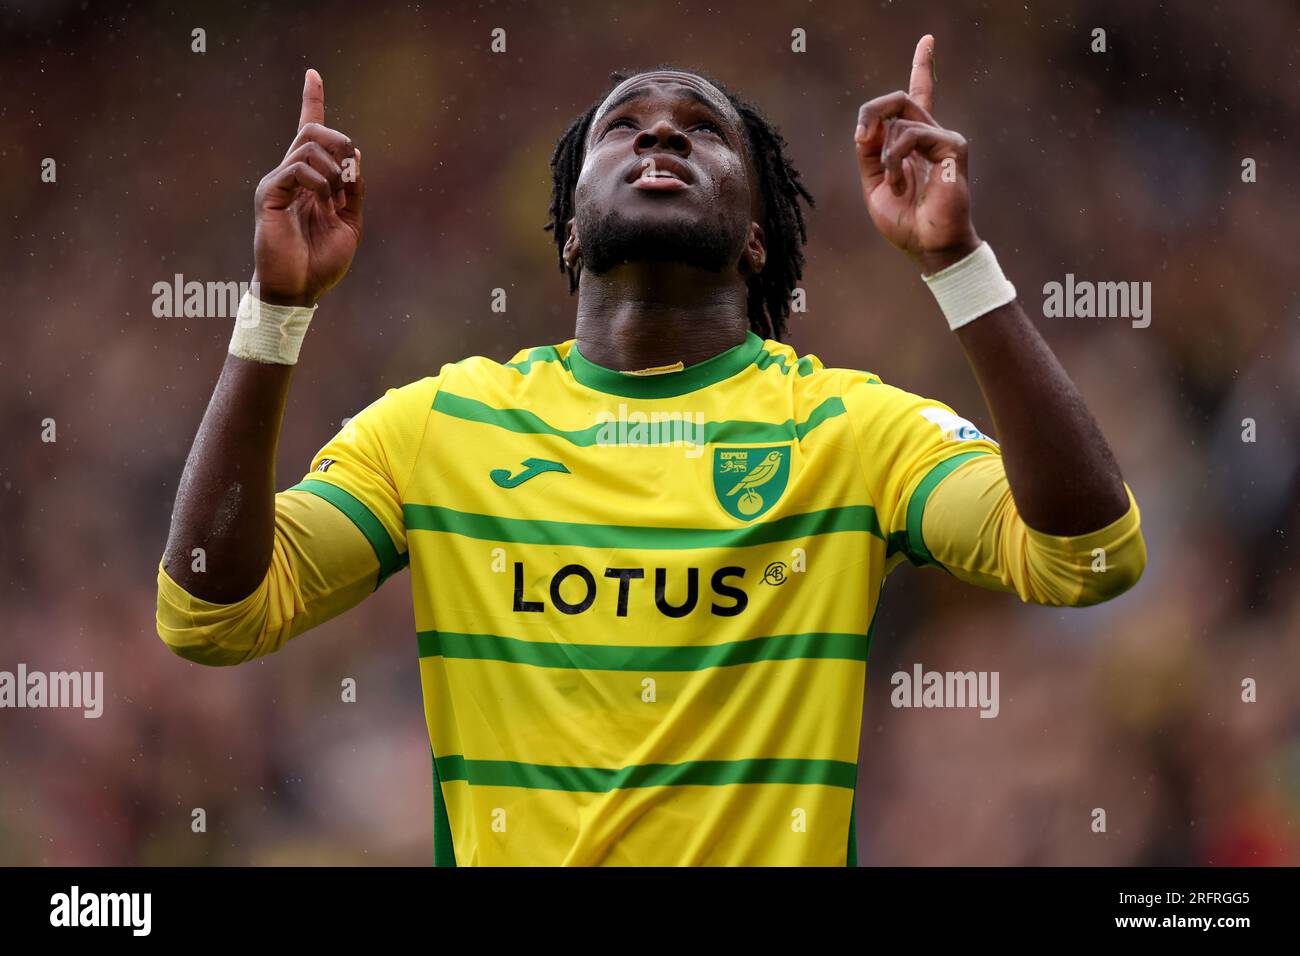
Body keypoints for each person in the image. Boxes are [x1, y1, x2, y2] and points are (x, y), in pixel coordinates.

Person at [156, 36, 1146, 866]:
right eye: (621, 127)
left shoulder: (849, 431)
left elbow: (1090, 555)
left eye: (704, 129)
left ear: (758, 239)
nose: (662, 130)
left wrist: (959, 267)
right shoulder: (440, 424)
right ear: (572, 232)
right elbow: (210, 609)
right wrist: (275, 312)